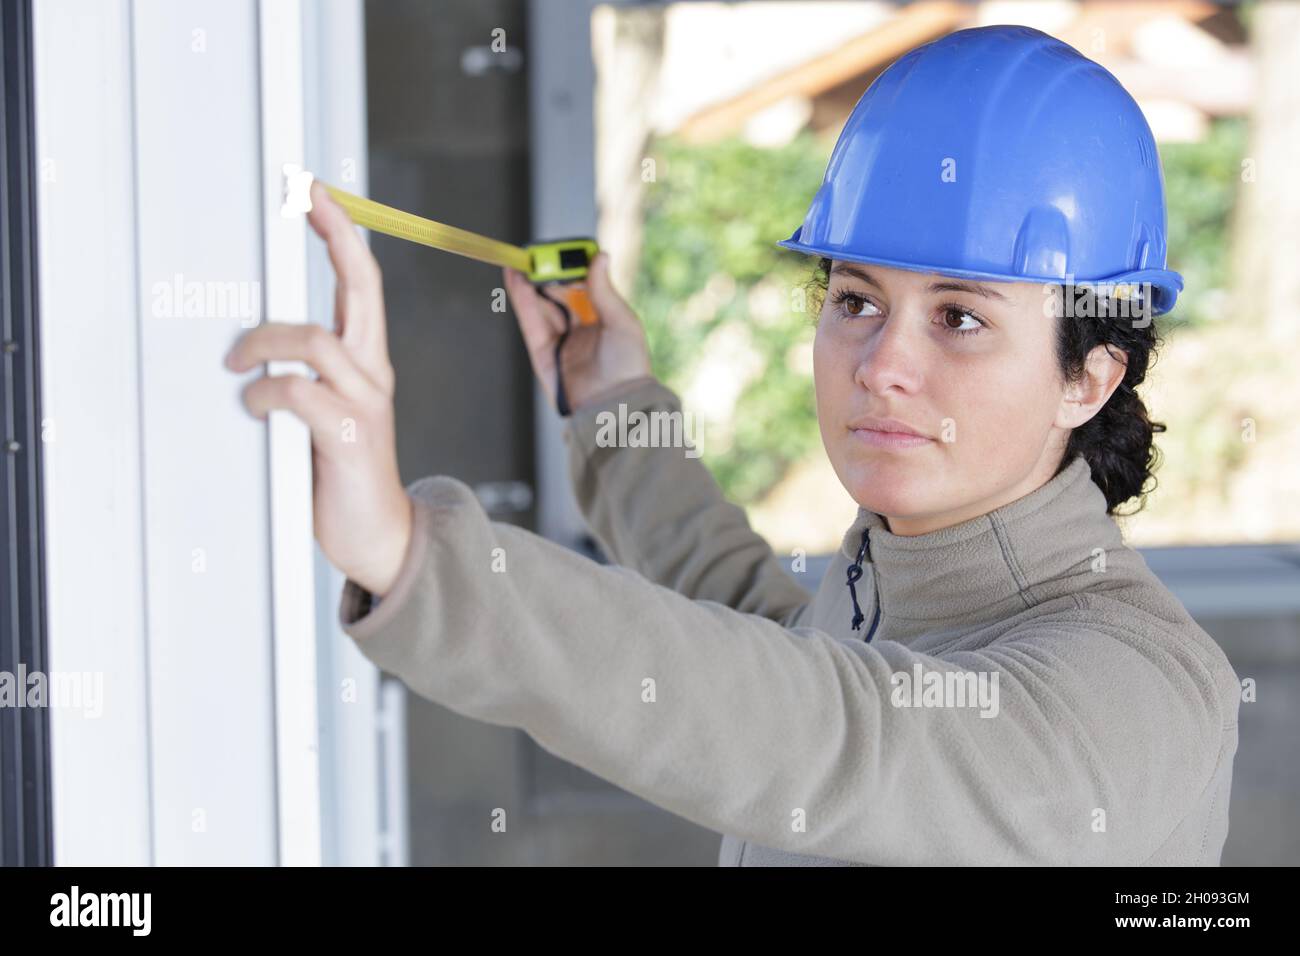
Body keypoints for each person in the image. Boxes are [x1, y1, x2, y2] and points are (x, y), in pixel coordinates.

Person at [224, 25, 1239, 865]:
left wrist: (412, 553)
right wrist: (614, 401)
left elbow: (824, 729)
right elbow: (749, 618)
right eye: (854, 300)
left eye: (959, 317)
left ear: (1085, 376)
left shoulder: (1138, 693)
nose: (881, 362)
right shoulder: (893, 588)